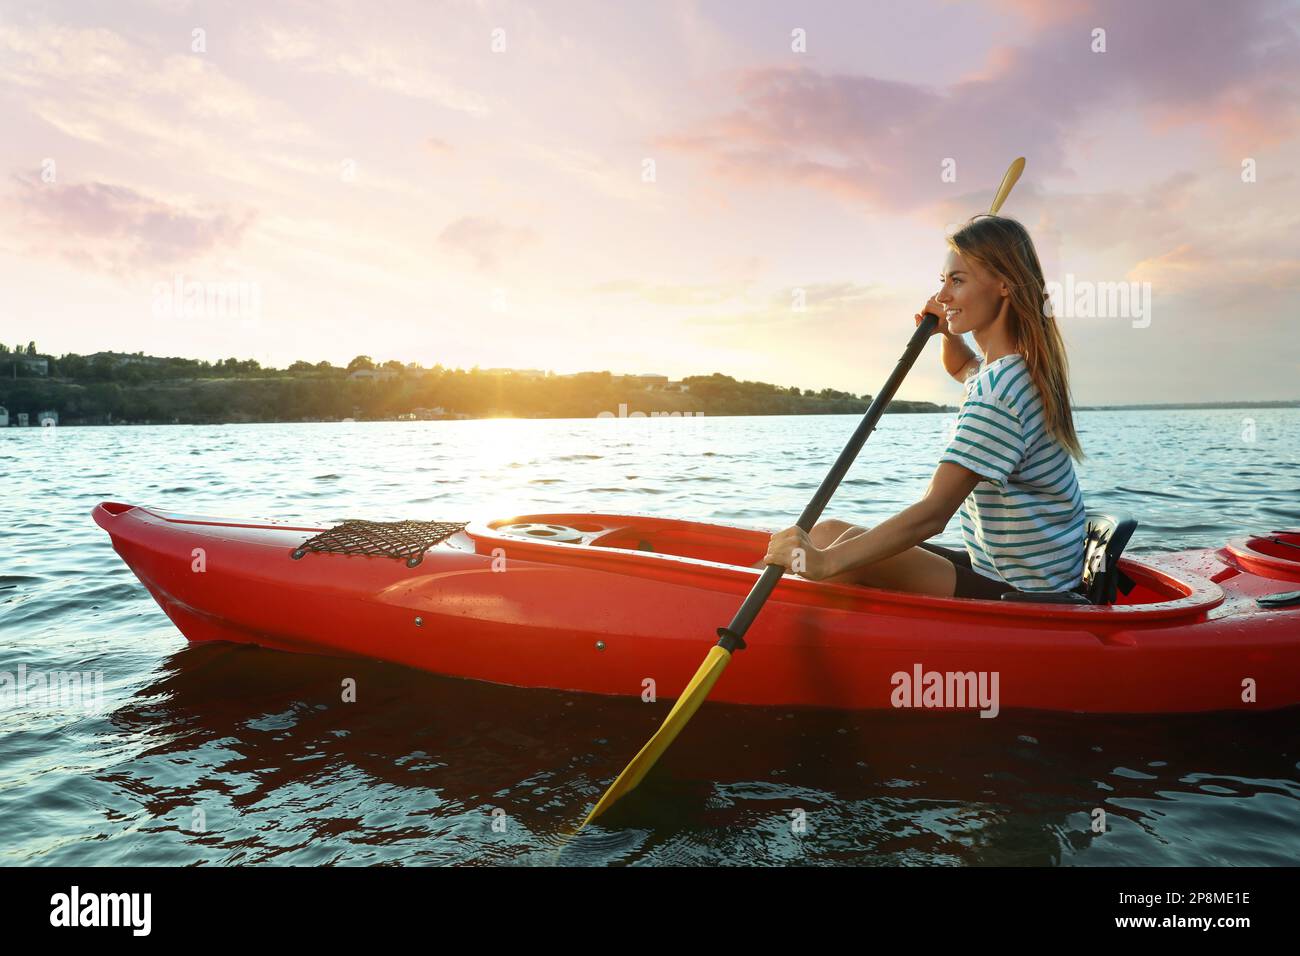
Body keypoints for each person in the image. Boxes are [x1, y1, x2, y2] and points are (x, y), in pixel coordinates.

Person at [762, 215, 1086, 599]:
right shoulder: (1006, 370)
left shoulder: (1000, 392)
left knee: (833, 560)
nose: (944, 296)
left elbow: (933, 514)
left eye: (958, 281)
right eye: (942, 282)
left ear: (1004, 285)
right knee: (828, 532)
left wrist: (822, 564)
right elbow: (963, 368)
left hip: (1026, 592)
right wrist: (947, 334)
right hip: (1002, 568)